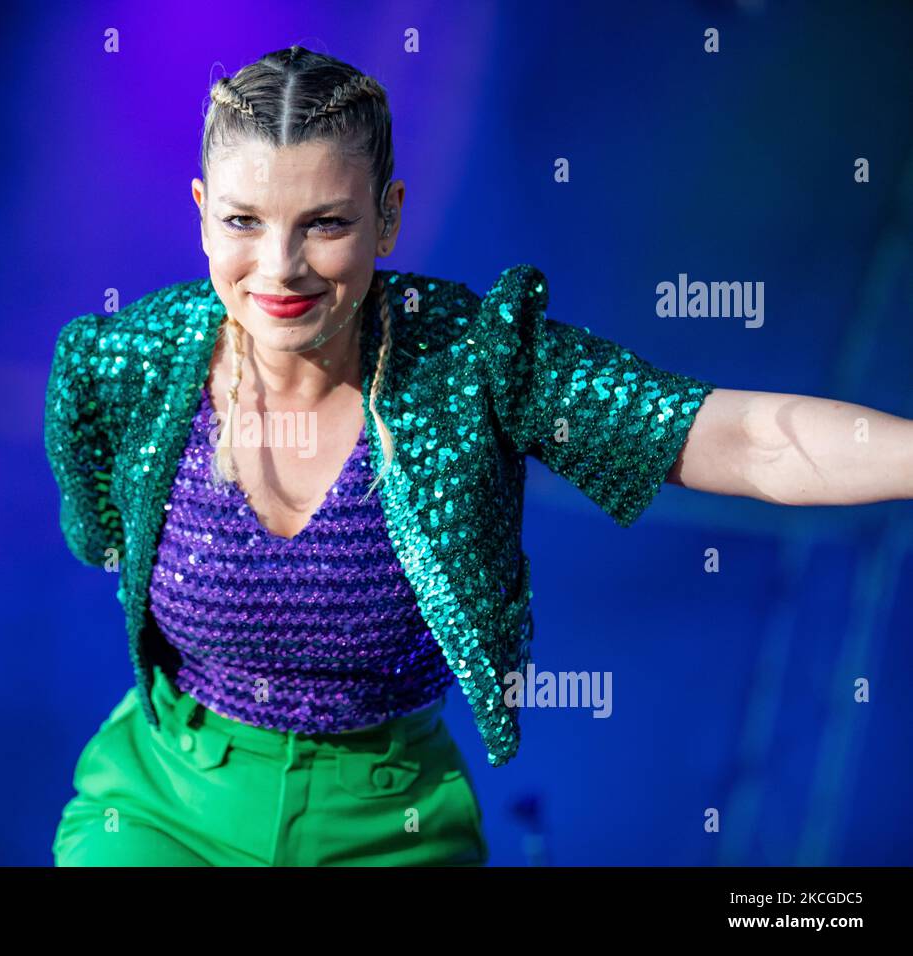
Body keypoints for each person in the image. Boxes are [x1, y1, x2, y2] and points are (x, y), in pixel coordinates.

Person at [45, 46, 912, 867]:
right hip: (164, 804)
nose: (281, 267)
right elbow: (96, 532)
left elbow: (755, 442)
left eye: (326, 223)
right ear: (201, 212)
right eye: (243, 220)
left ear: (387, 218)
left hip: (390, 822)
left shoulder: (476, 360)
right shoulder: (129, 363)